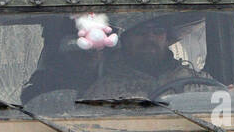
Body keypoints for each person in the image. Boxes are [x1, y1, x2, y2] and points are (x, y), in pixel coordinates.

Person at [81, 14, 217, 99]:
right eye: (140, 32)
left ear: (167, 39)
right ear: (126, 40)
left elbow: (221, 112)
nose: (149, 38)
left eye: (157, 32)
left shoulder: (197, 83)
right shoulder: (106, 89)